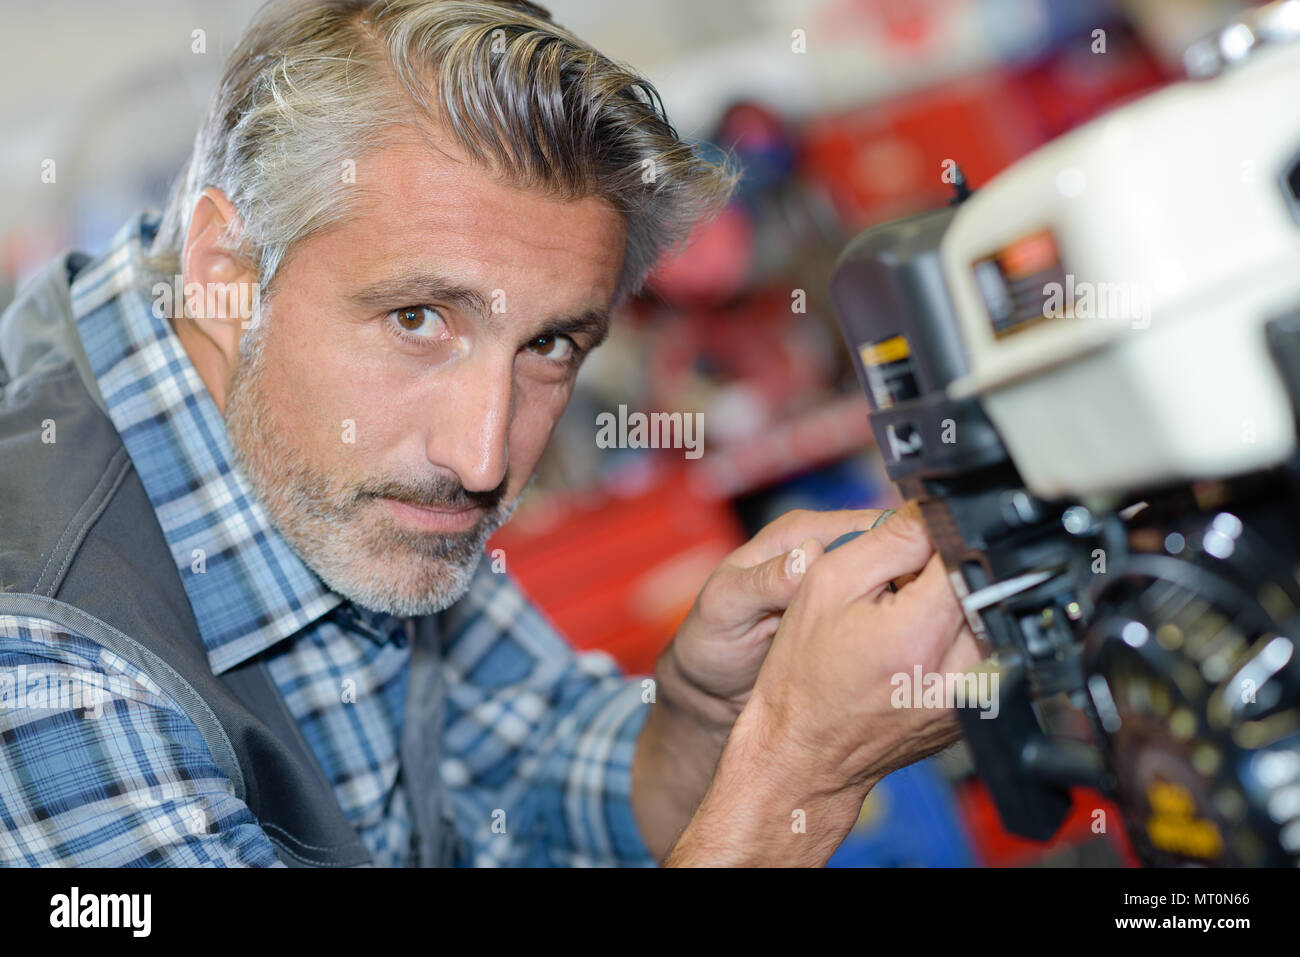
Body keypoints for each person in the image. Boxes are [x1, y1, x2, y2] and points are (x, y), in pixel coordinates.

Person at [0, 0, 978, 867]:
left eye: (549, 342)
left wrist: (703, 712)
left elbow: (530, 773)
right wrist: (794, 780)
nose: (482, 457)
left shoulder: (332, 454)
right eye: (418, 320)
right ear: (223, 267)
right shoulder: (42, 663)